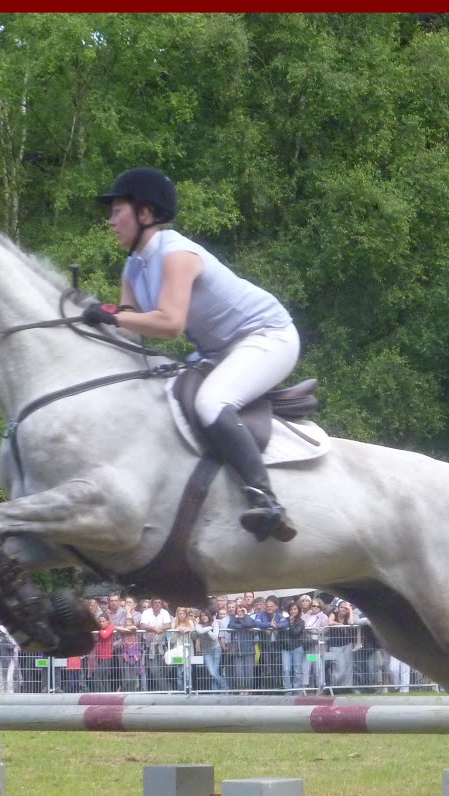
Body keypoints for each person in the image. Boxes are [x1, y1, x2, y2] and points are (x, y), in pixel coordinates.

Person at [86, 167, 300, 542]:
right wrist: (96, 322)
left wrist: (111, 317)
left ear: (145, 213)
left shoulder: (176, 254)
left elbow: (169, 324)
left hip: (269, 336)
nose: (110, 221)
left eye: (117, 211)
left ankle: (267, 500)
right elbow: (132, 330)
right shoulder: (133, 267)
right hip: (218, 350)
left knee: (211, 402)